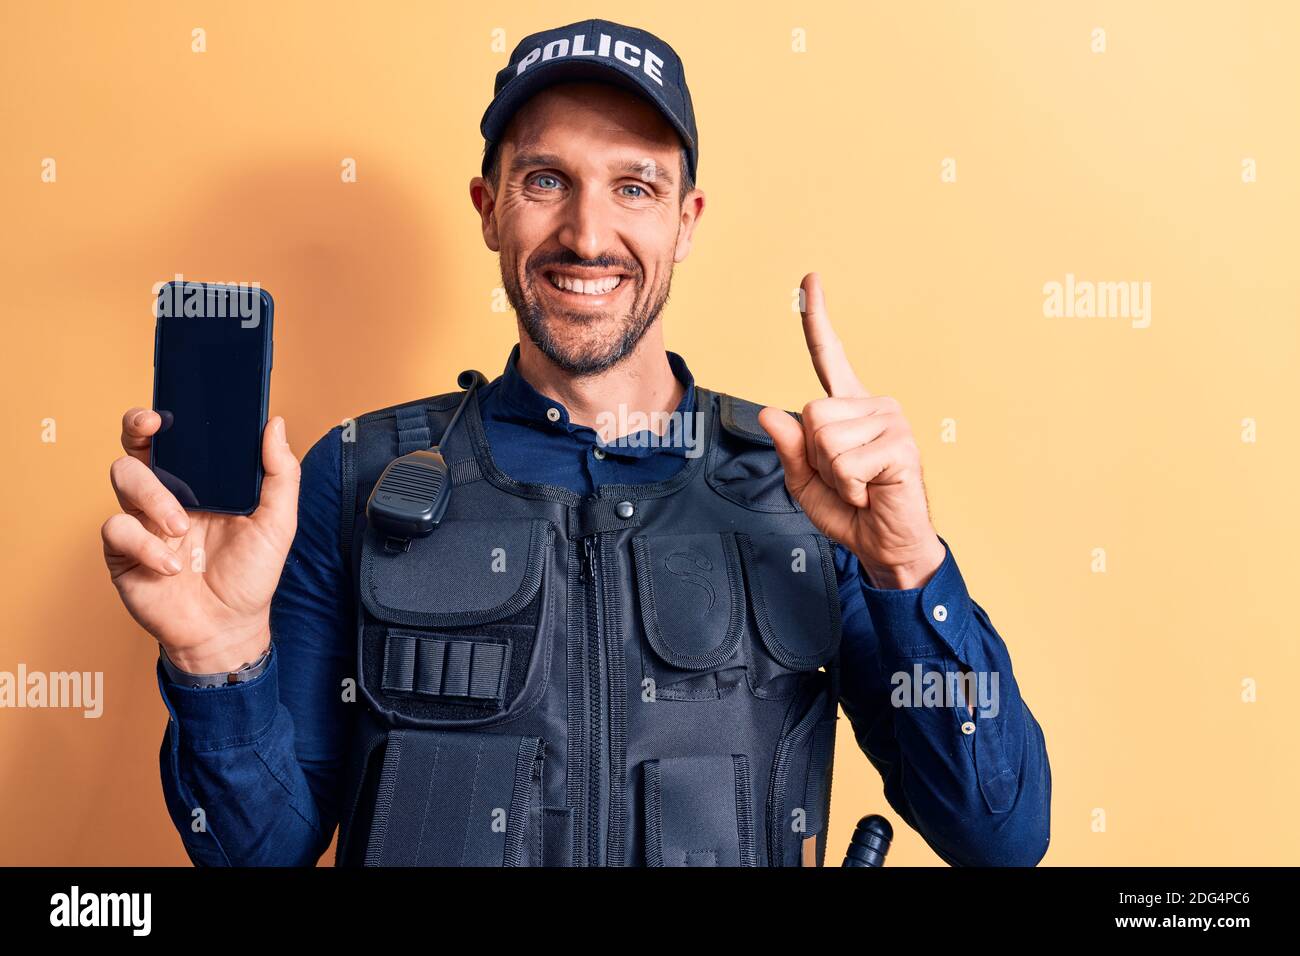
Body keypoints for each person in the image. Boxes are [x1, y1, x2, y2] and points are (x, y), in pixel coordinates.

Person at [102, 18, 1050, 867]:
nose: (587, 234)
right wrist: (217, 656)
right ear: (487, 207)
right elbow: (256, 854)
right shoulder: (349, 479)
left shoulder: (806, 493)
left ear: (687, 223)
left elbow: (1000, 834)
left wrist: (907, 567)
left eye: (634, 187)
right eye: (546, 181)